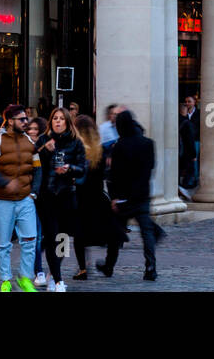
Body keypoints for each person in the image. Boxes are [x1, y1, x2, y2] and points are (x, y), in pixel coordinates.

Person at [101, 109, 163, 281]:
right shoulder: (148, 143)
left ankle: (109, 265)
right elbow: (150, 167)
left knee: (115, 233)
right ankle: (150, 267)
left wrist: (115, 197)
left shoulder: (120, 145)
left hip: (124, 197)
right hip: (142, 194)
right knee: (147, 233)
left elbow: (115, 174)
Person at [0, 104, 41, 292]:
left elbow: (38, 168)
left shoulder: (30, 142)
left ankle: (25, 278)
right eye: (22, 119)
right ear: (10, 121)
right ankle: (6, 280)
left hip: (25, 198)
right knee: (3, 244)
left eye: (26, 119)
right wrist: (5, 183)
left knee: (30, 239)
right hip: (2, 199)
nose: (26, 122)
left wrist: (34, 192)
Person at [34, 107, 86, 292]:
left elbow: (83, 169)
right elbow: (32, 163)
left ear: (67, 122)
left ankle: (54, 272)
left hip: (67, 195)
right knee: (51, 237)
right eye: (54, 118)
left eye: (61, 119)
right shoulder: (43, 140)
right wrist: (44, 151)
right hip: (47, 196)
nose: (57, 121)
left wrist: (69, 168)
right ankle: (57, 280)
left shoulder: (76, 142)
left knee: (63, 238)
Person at [72, 115, 114, 279]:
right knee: (111, 234)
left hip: (81, 197)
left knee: (79, 236)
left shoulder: (76, 150)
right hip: (98, 196)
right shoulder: (101, 151)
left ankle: (83, 268)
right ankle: (109, 265)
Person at [27, 116, 47, 285]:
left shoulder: (46, 146)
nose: (32, 132)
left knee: (45, 236)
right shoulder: (29, 147)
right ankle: (39, 271)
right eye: (30, 129)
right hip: (30, 197)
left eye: (35, 129)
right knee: (36, 236)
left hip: (45, 197)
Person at [178, 99, 197, 198]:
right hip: (186, 152)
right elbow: (190, 141)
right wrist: (193, 155)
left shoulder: (175, 121)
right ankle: (183, 189)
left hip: (177, 152)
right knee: (189, 171)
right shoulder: (187, 123)